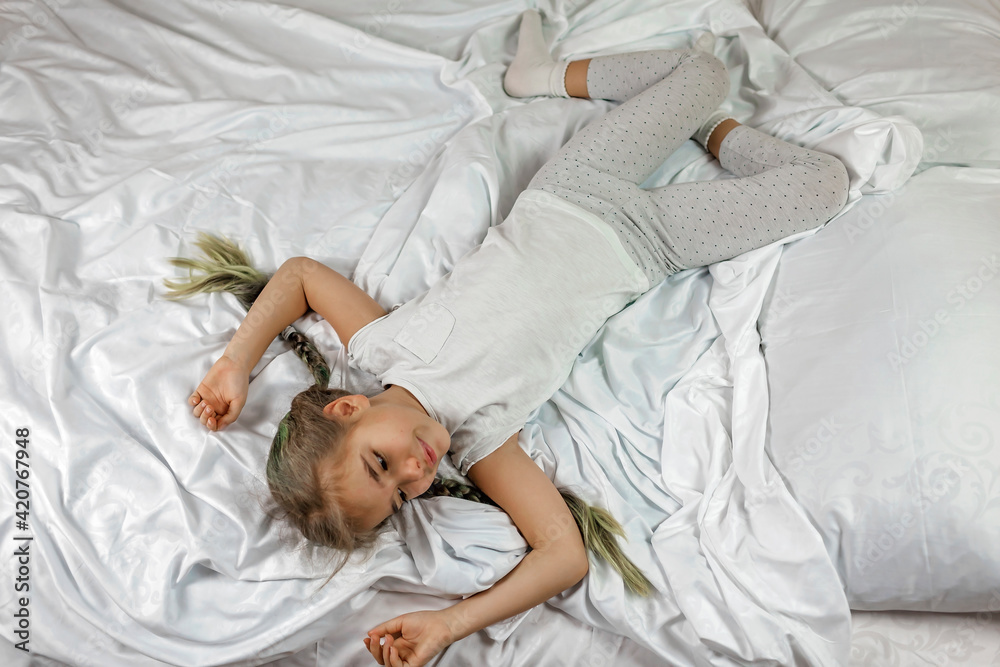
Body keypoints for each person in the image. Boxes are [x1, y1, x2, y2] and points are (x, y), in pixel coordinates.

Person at [164, 9, 849, 667]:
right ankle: (712, 130)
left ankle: (542, 77)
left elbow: (301, 276)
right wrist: (450, 621)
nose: (415, 472)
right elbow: (563, 554)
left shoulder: (382, 347)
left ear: (349, 408)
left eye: (381, 463)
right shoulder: (481, 441)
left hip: (576, 190)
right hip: (651, 244)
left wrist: (236, 363)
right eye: (404, 495)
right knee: (824, 185)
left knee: (703, 72)